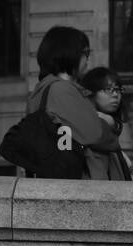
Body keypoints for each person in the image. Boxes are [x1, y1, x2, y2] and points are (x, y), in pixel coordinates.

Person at [24, 26, 123, 175]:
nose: (87, 60)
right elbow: (96, 135)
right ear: (70, 54)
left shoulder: (44, 90)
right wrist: (111, 123)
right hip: (80, 183)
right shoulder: (61, 90)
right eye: (85, 53)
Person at [78, 67, 133, 181]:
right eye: (108, 89)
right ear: (91, 92)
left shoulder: (113, 125)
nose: (115, 95)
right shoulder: (85, 124)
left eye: (118, 90)